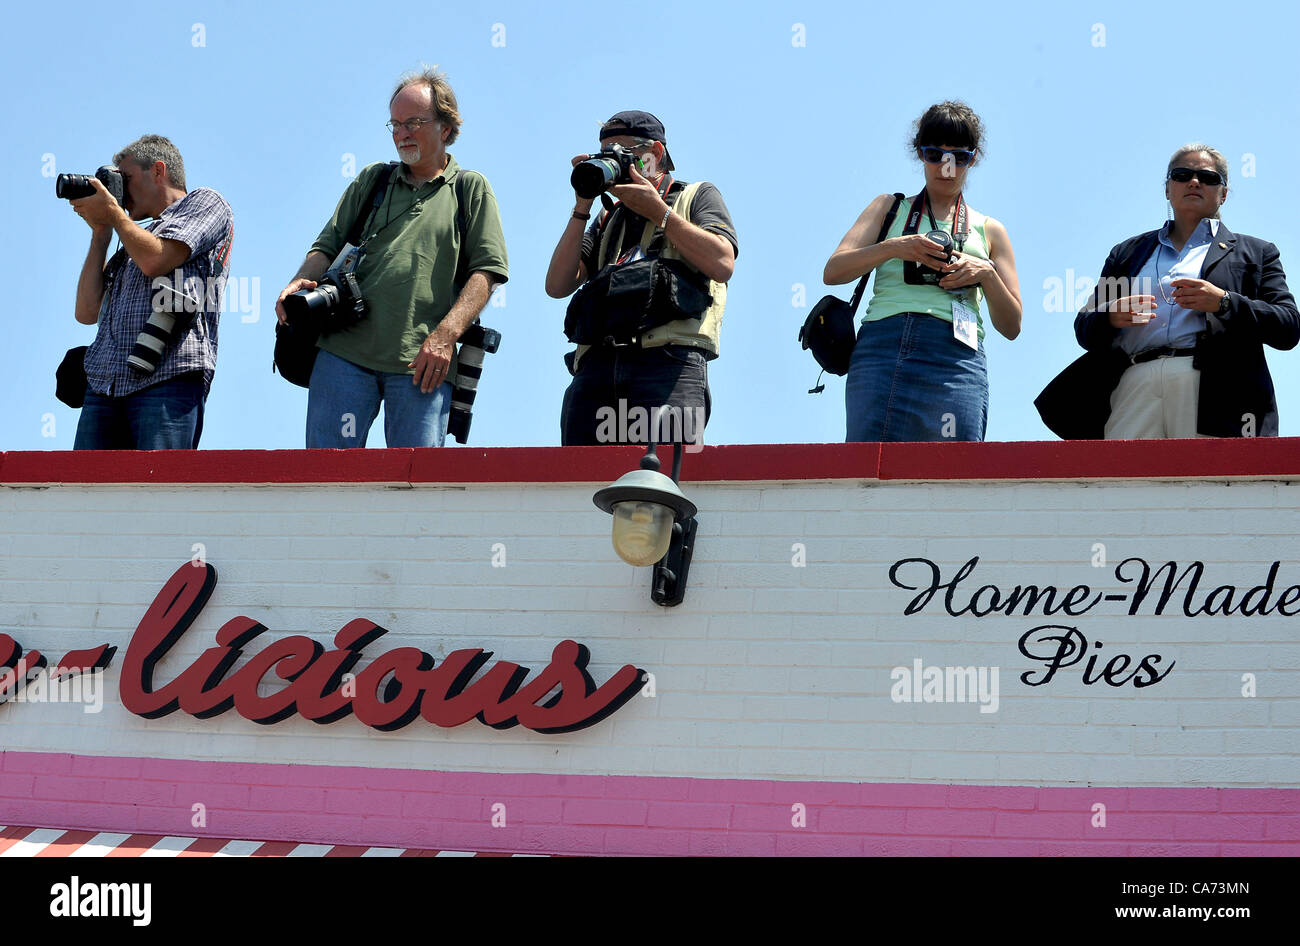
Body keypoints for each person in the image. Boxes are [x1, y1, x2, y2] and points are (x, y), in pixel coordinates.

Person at [276, 68, 509, 448]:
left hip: (422, 361)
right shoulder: (372, 180)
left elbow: (489, 272)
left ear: (446, 128)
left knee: (415, 488)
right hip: (343, 353)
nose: (402, 133)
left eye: (414, 122)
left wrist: (445, 337)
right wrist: (298, 280)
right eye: (396, 124)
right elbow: (327, 245)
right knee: (326, 480)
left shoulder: (470, 188)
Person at [1042, 144, 1299, 439]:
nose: (1194, 181)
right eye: (1182, 174)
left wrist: (1224, 303)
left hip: (1214, 389)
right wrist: (1111, 317)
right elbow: (1084, 327)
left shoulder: (1257, 252)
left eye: (1208, 177)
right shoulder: (1128, 253)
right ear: (1167, 189)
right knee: (1126, 480)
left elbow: (1288, 327)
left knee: (1208, 482)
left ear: (1224, 194)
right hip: (1134, 382)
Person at [823, 101, 1021, 442]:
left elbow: (1012, 325)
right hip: (883, 348)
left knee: (954, 476)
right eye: (935, 154)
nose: (946, 167)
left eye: (959, 157)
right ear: (919, 154)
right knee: (867, 472)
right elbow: (834, 271)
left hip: (956, 357)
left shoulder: (991, 230)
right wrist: (896, 247)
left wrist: (986, 273)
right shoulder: (888, 207)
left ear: (974, 158)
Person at [545, 111, 737, 447]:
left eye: (622, 152)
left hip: (668, 366)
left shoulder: (695, 196)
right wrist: (582, 205)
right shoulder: (608, 218)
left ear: (656, 154)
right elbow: (558, 285)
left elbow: (722, 262)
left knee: (660, 487)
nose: (612, 161)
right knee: (582, 490)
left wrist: (660, 213)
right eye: (604, 153)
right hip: (598, 370)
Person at [69, 134, 233, 450]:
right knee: (87, 497)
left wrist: (114, 215)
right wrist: (101, 233)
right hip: (104, 384)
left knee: (156, 490)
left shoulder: (205, 203)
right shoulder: (131, 239)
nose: (120, 191)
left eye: (125, 178)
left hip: (167, 378)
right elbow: (86, 312)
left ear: (158, 171)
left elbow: (155, 259)